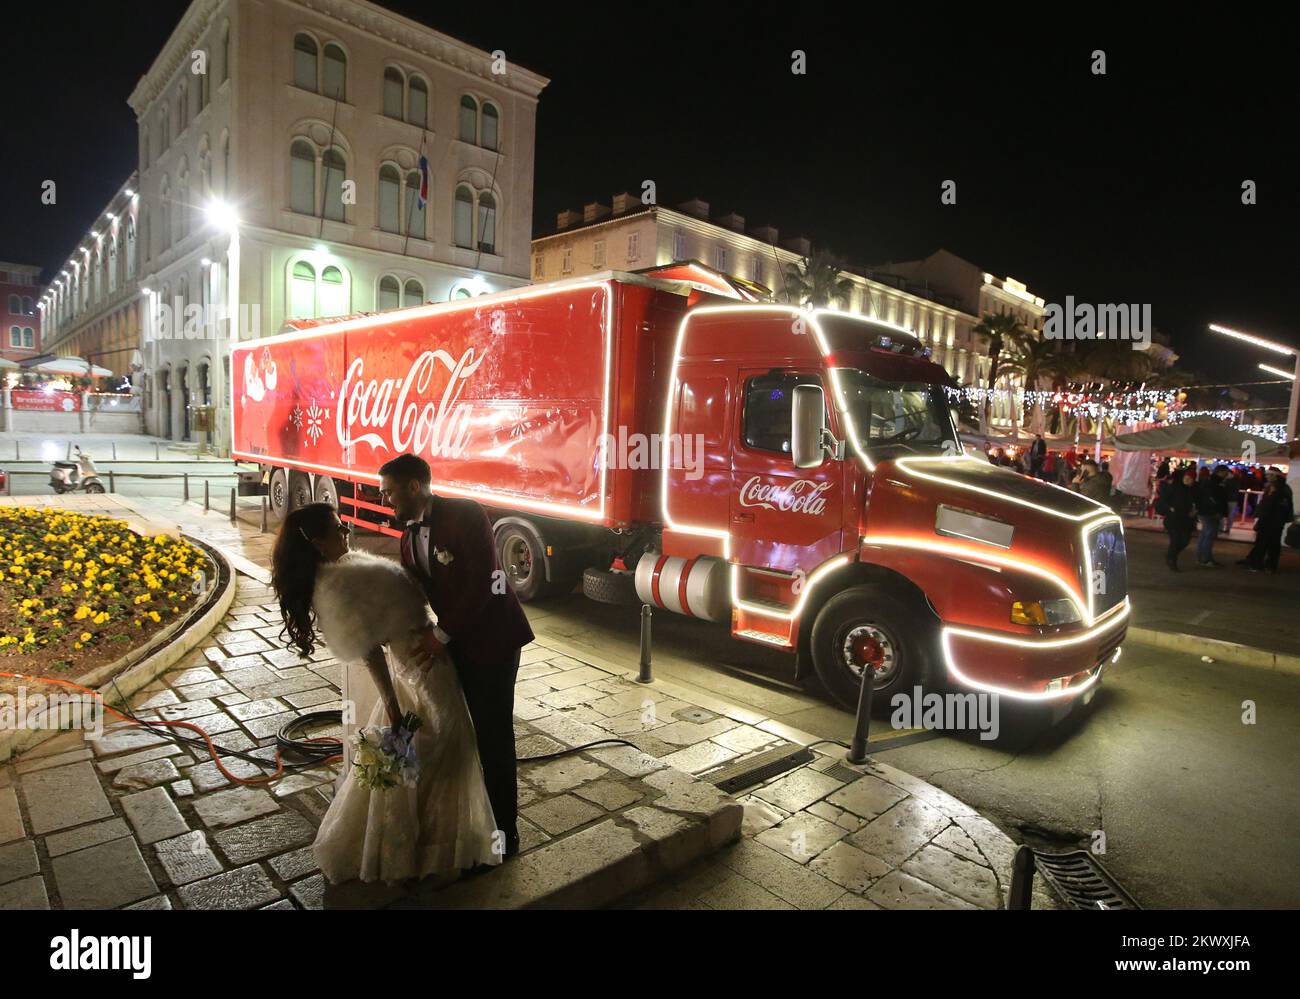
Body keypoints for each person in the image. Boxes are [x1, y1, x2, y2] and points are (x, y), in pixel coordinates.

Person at [271, 502, 501, 885]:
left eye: (342, 525)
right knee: (450, 746)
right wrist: (392, 705)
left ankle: (431, 840)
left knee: (440, 748)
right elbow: (368, 650)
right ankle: (432, 843)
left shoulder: (344, 570)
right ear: (317, 543)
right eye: (336, 529)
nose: (346, 532)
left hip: (423, 663)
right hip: (423, 667)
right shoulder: (340, 581)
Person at [379, 452, 535, 860]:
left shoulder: (465, 514)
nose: (387, 501)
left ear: (414, 487)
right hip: (455, 646)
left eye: (391, 492)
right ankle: (471, 823)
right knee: (461, 735)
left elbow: (486, 582)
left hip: (494, 641)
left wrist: (440, 636)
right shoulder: (407, 538)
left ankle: (505, 835)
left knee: (494, 738)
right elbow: (411, 591)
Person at [1242, 470, 1295, 573]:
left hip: (1273, 520)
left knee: (1269, 543)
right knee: (1267, 542)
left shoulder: (1281, 489)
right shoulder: (1273, 487)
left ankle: (1262, 564)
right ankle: (1264, 564)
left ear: (1275, 476)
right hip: (1270, 520)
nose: (1266, 477)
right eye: (1266, 475)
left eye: (1269, 475)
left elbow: (1278, 506)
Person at [1156, 468, 1197, 571]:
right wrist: (1170, 508)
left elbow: (1196, 503)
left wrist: (1195, 511)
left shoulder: (1193, 490)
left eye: (1190, 479)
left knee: (1185, 541)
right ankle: (1172, 560)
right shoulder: (1173, 488)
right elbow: (1163, 500)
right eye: (1187, 478)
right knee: (1175, 540)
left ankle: (1170, 555)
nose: (1188, 480)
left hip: (1187, 520)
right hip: (1173, 519)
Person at [1193, 465, 1227, 567]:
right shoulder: (1215, 483)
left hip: (1206, 512)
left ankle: (1202, 557)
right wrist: (1217, 511)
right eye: (1225, 472)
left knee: (1205, 534)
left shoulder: (1208, 481)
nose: (1226, 474)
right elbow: (1214, 499)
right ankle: (1205, 559)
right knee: (1208, 535)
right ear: (1220, 472)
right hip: (1210, 512)